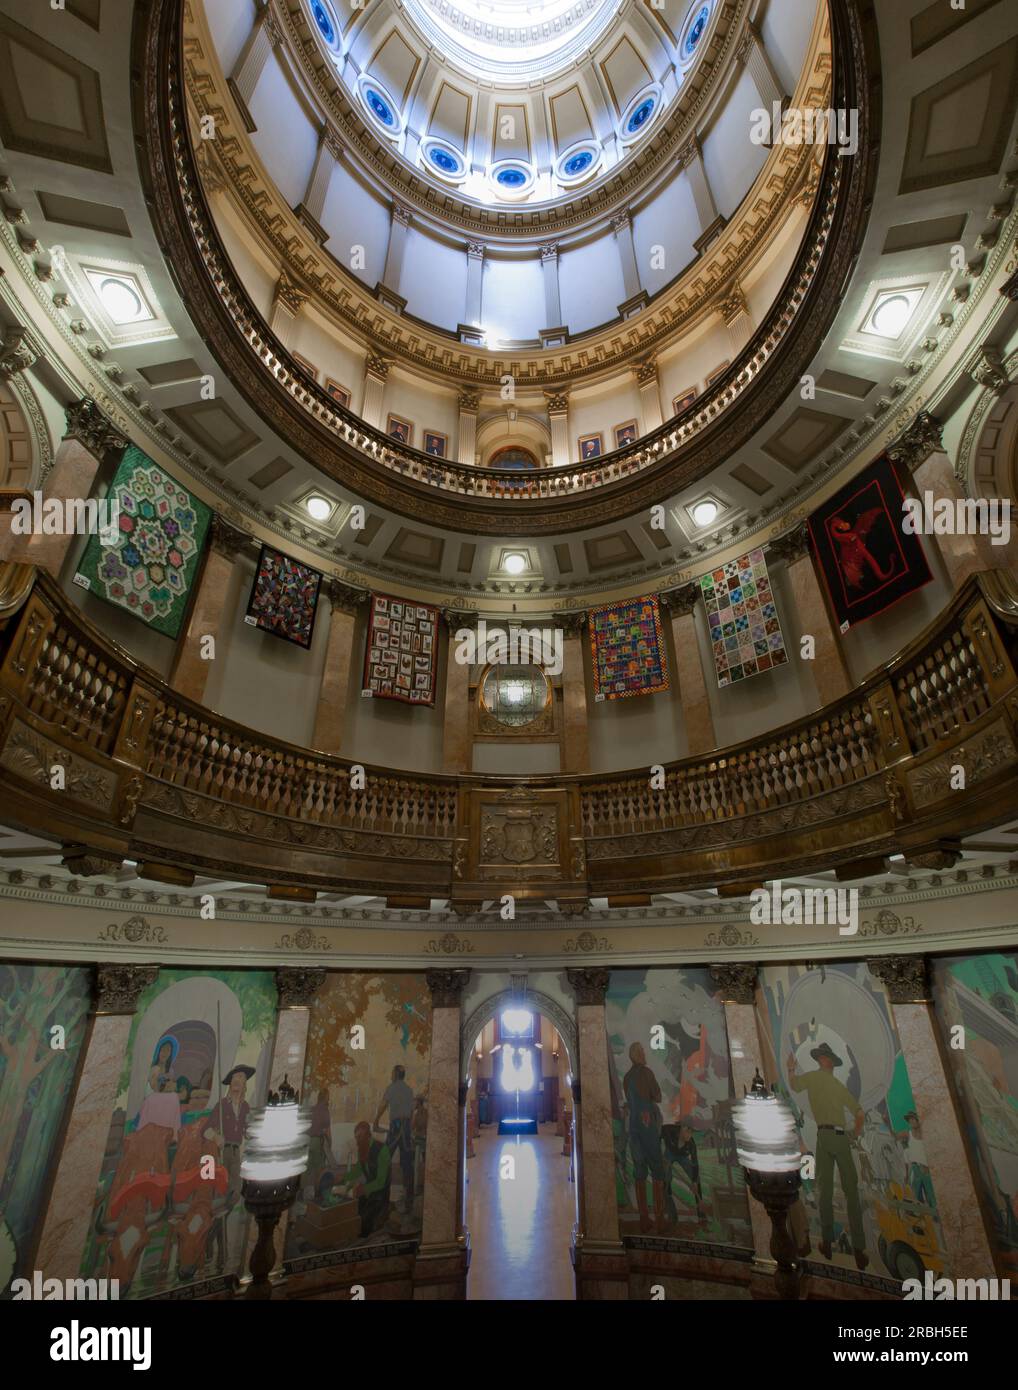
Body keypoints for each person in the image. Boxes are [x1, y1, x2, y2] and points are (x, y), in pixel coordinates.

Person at [787, 1042, 868, 1269]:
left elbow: (794, 1084)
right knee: (849, 1190)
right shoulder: (837, 1085)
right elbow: (859, 1113)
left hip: (825, 1136)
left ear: (825, 1060)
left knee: (826, 1191)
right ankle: (858, 1248)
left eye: (823, 1056)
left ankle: (828, 1242)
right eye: (823, 1056)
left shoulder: (814, 1078)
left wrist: (790, 1068)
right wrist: (854, 1135)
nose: (823, 1059)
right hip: (840, 1137)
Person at [622, 1041, 667, 1234]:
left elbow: (629, 1101)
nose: (644, 1053)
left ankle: (643, 1219)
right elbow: (657, 1096)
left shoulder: (626, 1077)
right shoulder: (647, 1073)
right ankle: (659, 1219)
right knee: (657, 1168)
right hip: (647, 1123)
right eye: (642, 1051)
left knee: (639, 1170)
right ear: (638, 1055)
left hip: (634, 1126)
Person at [204, 1064, 255, 1200]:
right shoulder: (222, 1105)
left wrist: (251, 1133)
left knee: (235, 1190)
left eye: (241, 1077)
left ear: (244, 1084)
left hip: (236, 1152)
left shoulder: (245, 1107)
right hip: (222, 1151)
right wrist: (215, 1137)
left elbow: (247, 1129)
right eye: (234, 1078)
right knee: (220, 1186)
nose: (237, 1080)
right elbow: (206, 1129)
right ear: (230, 1084)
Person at [375, 1065, 415, 1214]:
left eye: (392, 1072)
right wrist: (409, 1131)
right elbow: (411, 1113)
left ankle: (382, 1198)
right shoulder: (409, 1090)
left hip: (396, 1128)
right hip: (406, 1129)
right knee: (407, 1165)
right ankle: (408, 1202)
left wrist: (376, 1120)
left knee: (384, 1159)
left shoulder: (391, 1088)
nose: (391, 1075)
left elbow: (383, 1105)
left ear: (397, 1074)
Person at [349, 1120, 392, 1238]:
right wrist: (342, 1181)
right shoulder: (362, 1149)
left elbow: (381, 1182)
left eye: (360, 1137)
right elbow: (357, 1169)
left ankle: (384, 1214)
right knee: (353, 1216)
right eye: (356, 1137)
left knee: (364, 1223)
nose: (358, 1141)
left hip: (380, 1196)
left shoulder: (383, 1150)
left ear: (368, 1136)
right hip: (369, 1192)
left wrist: (364, 1189)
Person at [894, 1111, 934, 1206]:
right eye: (909, 1120)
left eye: (913, 1119)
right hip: (916, 1170)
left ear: (918, 1120)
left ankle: (936, 1218)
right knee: (916, 1198)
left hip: (927, 1170)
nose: (911, 1122)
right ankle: (924, 1217)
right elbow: (894, 1136)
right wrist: (886, 1124)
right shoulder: (908, 1134)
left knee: (931, 1197)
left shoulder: (927, 1134)